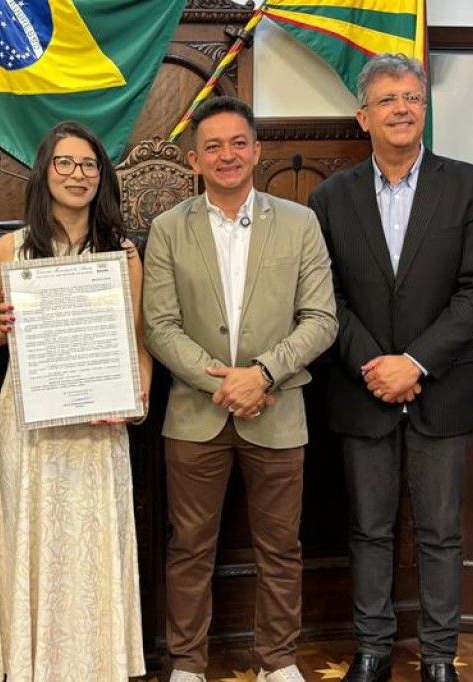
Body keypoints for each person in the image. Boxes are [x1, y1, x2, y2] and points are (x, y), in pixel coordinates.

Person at [308, 54, 473, 682]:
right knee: (368, 529)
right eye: (387, 99)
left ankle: (439, 657)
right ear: (363, 117)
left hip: (442, 388)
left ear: (425, 107)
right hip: (362, 386)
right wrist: (376, 365)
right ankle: (373, 649)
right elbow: (326, 296)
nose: (401, 108)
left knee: (441, 532)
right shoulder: (328, 198)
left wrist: (414, 363)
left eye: (412, 97)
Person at [143, 96, 338, 682]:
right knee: (188, 547)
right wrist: (224, 383)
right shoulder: (168, 229)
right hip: (194, 415)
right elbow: (159, 326)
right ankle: (187, 664)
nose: (226, 155)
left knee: (281, 548)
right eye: (213, 147)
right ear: (194, 160)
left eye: (237, 144)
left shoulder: (300, 223)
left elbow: (321, 319)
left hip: (278, 410)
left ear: (256, 151)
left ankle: (279, 661)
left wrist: (263, 374)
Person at [0, 121, 152, 681]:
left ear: (102, 176)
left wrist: (138, 397)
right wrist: (2, 325)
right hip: (30, 421)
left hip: (98, 421)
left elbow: (138, 341)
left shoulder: (122, 254)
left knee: (92, 542)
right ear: (45, 172)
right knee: (33, 537)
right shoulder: (11, 248)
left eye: (89, 164)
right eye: (66, 163)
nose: (78, 175)